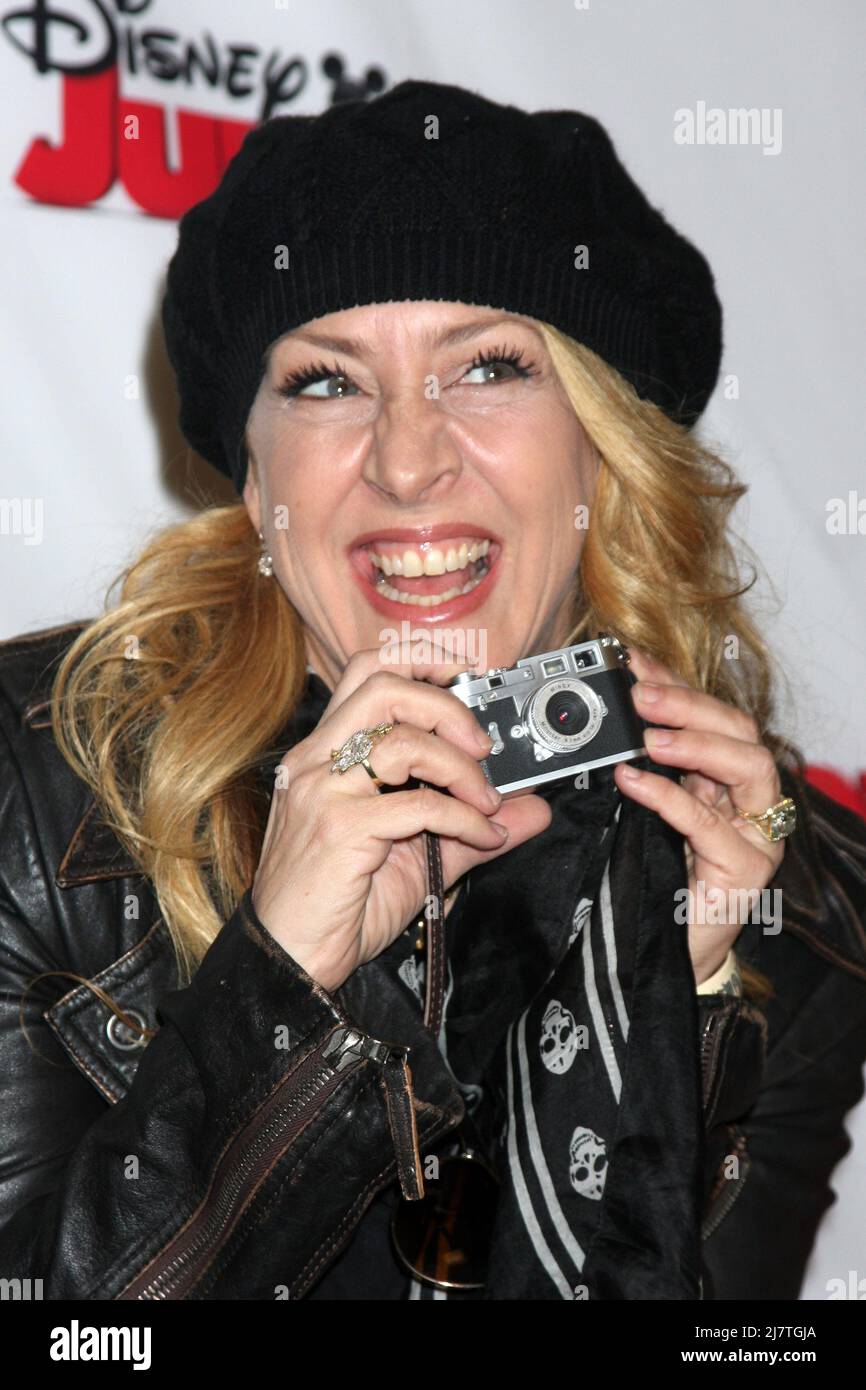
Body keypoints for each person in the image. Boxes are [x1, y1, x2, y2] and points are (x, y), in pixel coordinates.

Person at [1, 78, 865, 1302]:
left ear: (604, 449)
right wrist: (280, 981)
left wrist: (671, 1015)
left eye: (487, 367)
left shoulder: (789, 894)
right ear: (254, 484)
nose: (408, 461)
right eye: (325, 382)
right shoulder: (37, 790)